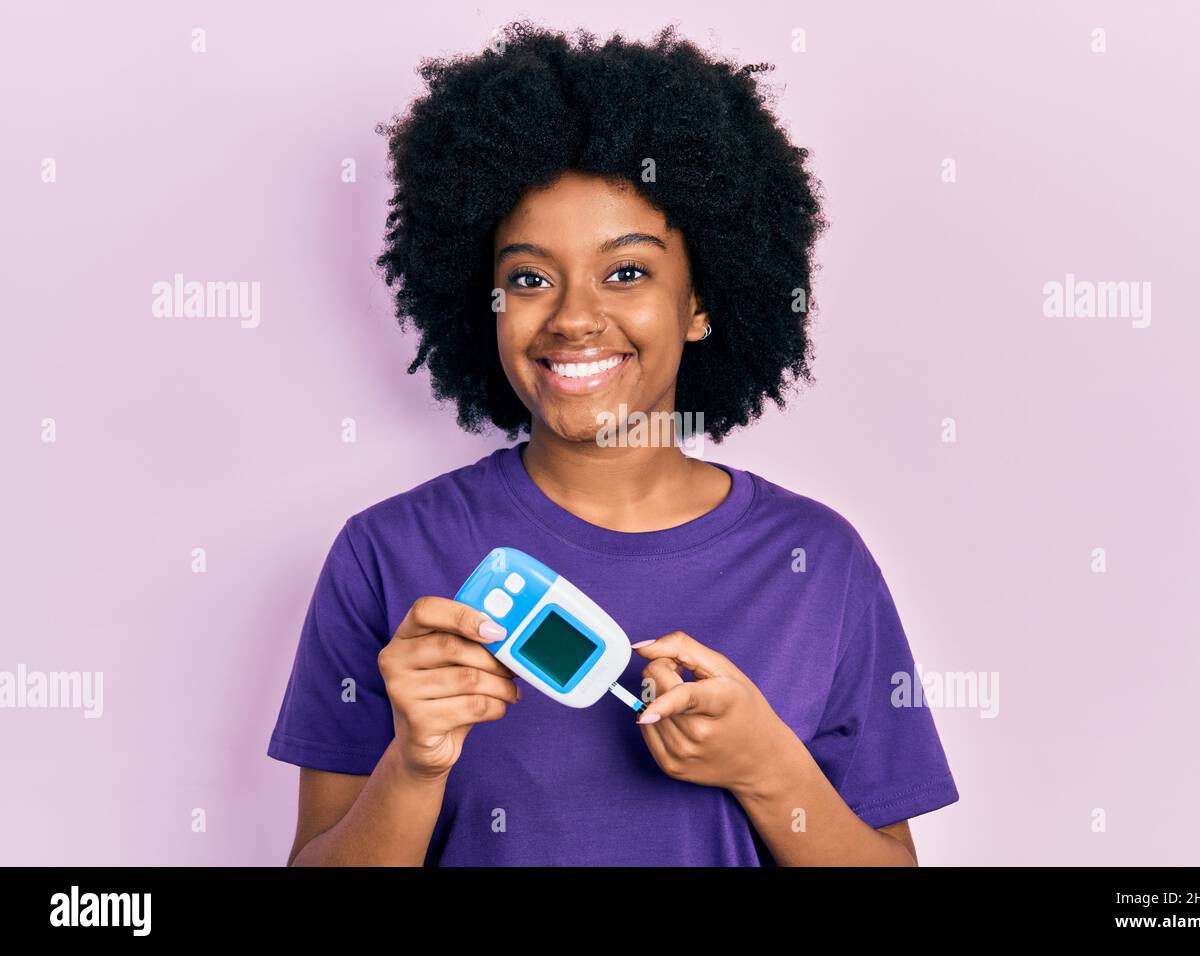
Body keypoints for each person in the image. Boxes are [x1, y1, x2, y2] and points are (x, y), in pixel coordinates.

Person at [267, 21, 958, 866]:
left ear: (701, 303)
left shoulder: (818, 561)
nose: (573, 318)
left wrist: (770, 771)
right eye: (528, 278)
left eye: (626, 272)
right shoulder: (386, 551)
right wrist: (415, 765)